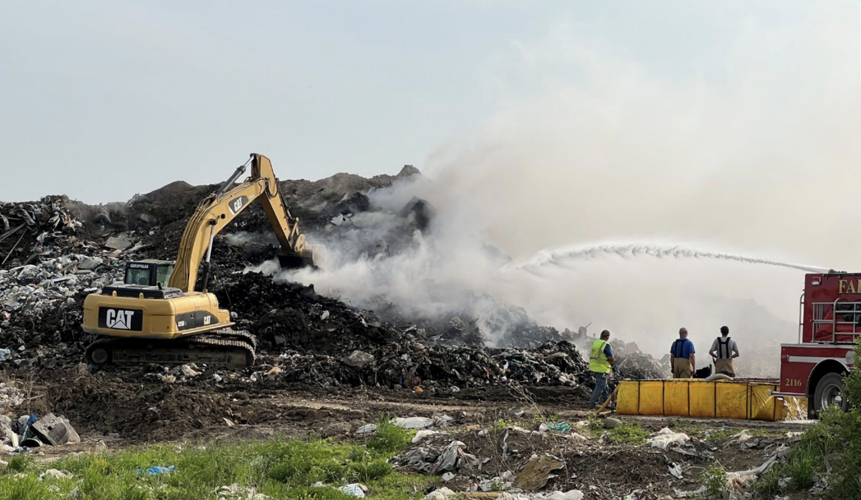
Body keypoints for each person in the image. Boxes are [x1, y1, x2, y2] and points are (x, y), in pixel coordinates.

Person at [588, 330, 617, 409]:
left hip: (594, 367)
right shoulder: (606, 345)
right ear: (607, 337)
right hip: (601, 368)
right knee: (600, 386)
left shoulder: (596, 342)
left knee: (604, 385)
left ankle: (606, 401)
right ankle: (592, 403)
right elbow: (611, 358)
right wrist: (612, 364)